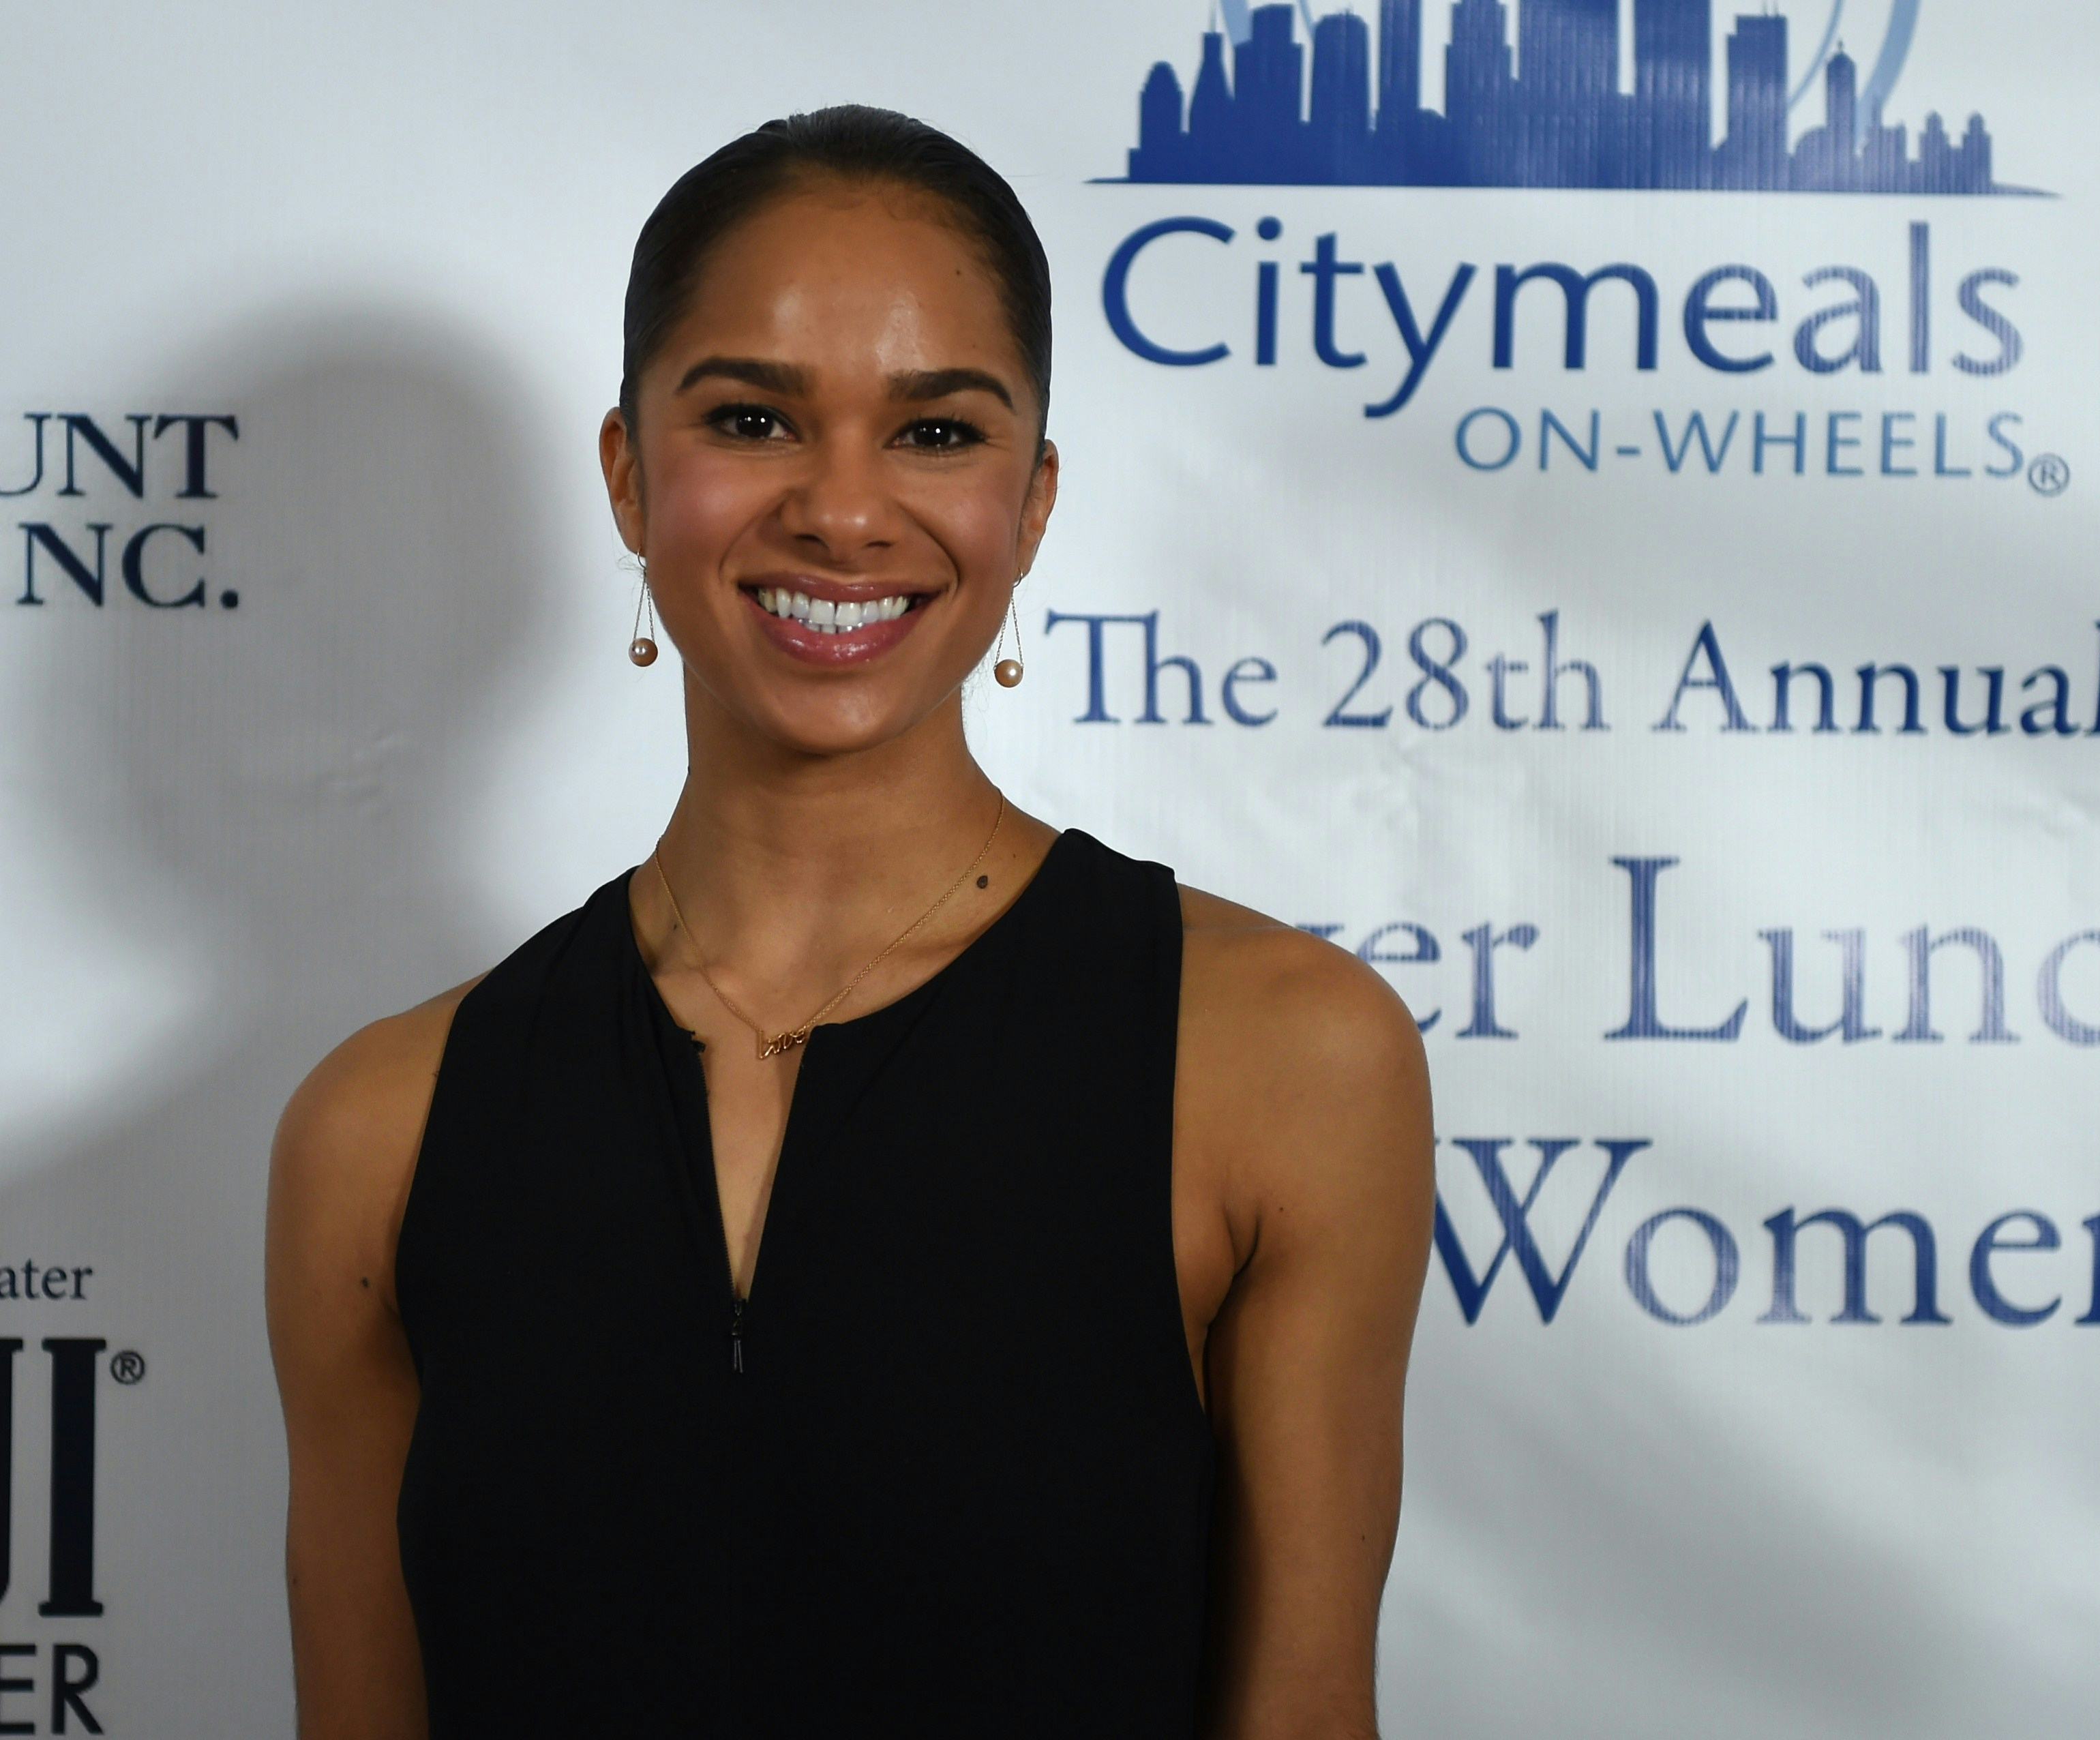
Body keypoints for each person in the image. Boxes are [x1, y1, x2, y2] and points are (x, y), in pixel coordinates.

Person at [265, 106, 1433, 1738]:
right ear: (628, 474)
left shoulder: (1285, 1058)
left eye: (937, 435)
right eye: (753, 417)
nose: (842, 511)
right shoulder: (378, 1127)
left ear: (1031, 503)